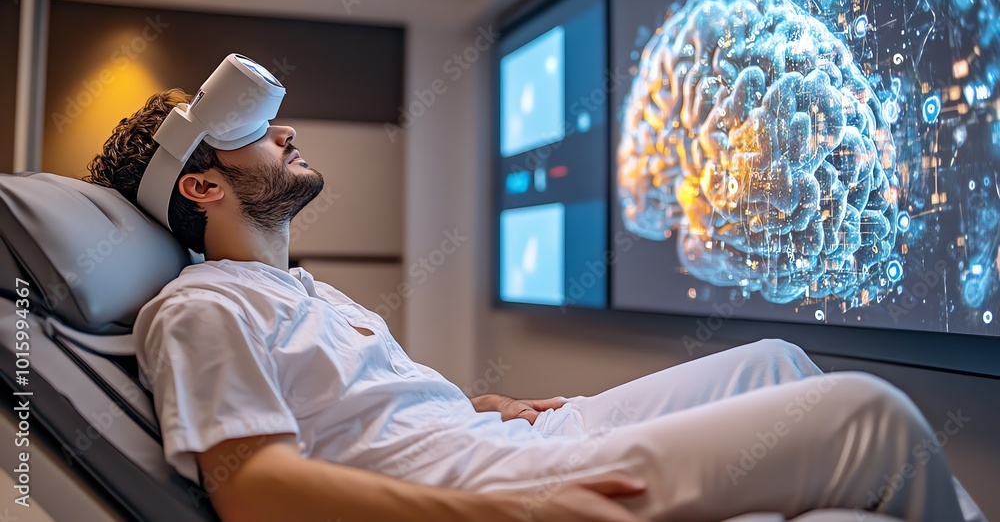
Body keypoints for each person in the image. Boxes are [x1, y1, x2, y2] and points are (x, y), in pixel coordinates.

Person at [85, 87, 983, 522]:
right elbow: (255, 488)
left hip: (501, 439)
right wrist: (505, 511)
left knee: (777, 360)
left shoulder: (295, 290)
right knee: (868, 416)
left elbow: (345, 410)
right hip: (490, 488)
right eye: (252, 130)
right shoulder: (199, 306)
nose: (285, 129)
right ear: (202, 185)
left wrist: (470, 405)